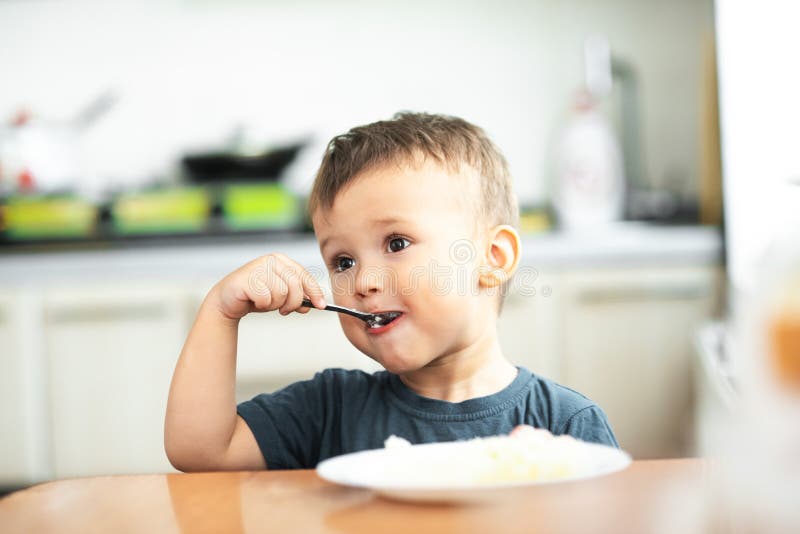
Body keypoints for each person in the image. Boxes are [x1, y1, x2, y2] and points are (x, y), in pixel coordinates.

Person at [164, 112, 618, 471]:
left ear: (491, 258)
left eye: (396, 244)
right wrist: (220, 311)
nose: (363, 282)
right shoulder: (330, 411)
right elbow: (202, 451)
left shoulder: (566, 427)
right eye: (343, 262)